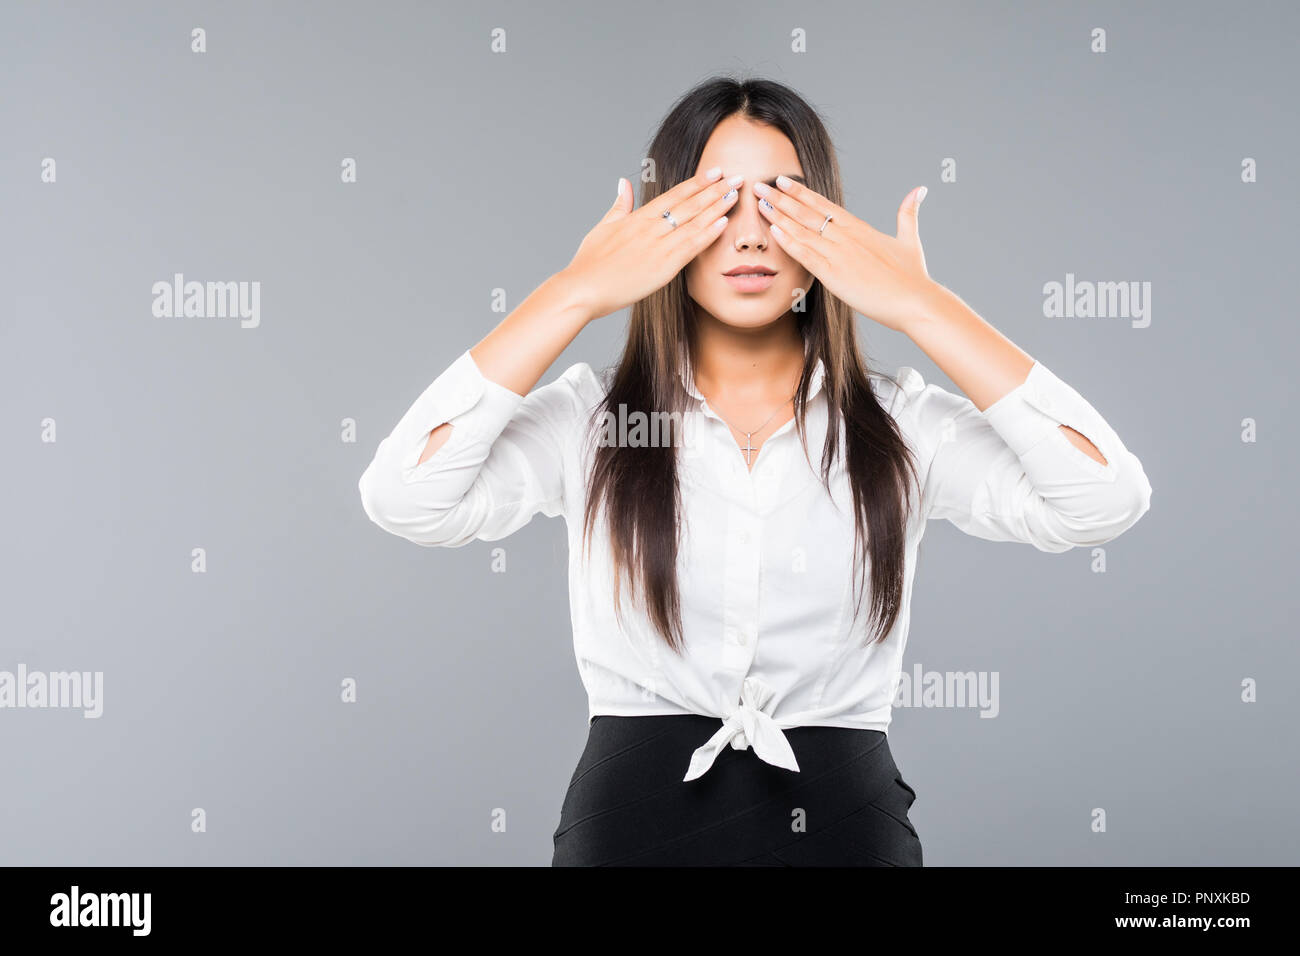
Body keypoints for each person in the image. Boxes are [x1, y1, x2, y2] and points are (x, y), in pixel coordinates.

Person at [357, 75, 1153, 866]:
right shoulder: (594, 421)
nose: (748, 235)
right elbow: (407, 497)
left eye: (779, 201)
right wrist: (572, 296)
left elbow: (1102, 498)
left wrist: (923, 307)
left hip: (848, 833)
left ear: (829, 227)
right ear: (662, 229)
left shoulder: (900, 425)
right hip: (630, 834)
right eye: (715, 203)